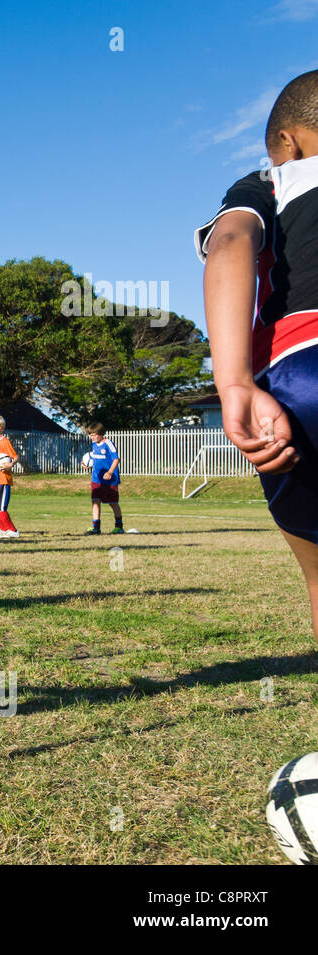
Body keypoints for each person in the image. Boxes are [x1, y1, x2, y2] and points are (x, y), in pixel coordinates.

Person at [197, 69, 318, 641]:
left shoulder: (272, 181)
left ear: (287, 143)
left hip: (303, 365)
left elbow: (229, 242)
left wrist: (234, 383)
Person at [84, 422, 123, 535]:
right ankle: (96, 527)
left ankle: (119, 527)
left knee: (113, 503)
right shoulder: (94, 445)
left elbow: (116, 459)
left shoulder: (108, 444)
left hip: (109, 480)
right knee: (95, 501)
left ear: (101, 434)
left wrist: (110, 472)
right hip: (96, 479)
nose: (92, 437)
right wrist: (86, 464)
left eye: (94, 435)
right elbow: (93, 458)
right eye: (90, 435)